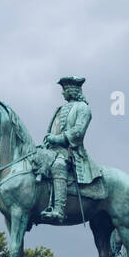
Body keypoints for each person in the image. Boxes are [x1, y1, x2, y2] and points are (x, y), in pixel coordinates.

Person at [40, 76, 102, 223]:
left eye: (65, 90)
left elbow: (78, 132)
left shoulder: (83, 108)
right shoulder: (59, 109)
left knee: (58, 165)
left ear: (72, 91)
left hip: (71, 151)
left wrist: (58, 139)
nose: (62, 94)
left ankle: (59, 209)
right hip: (51, 149)